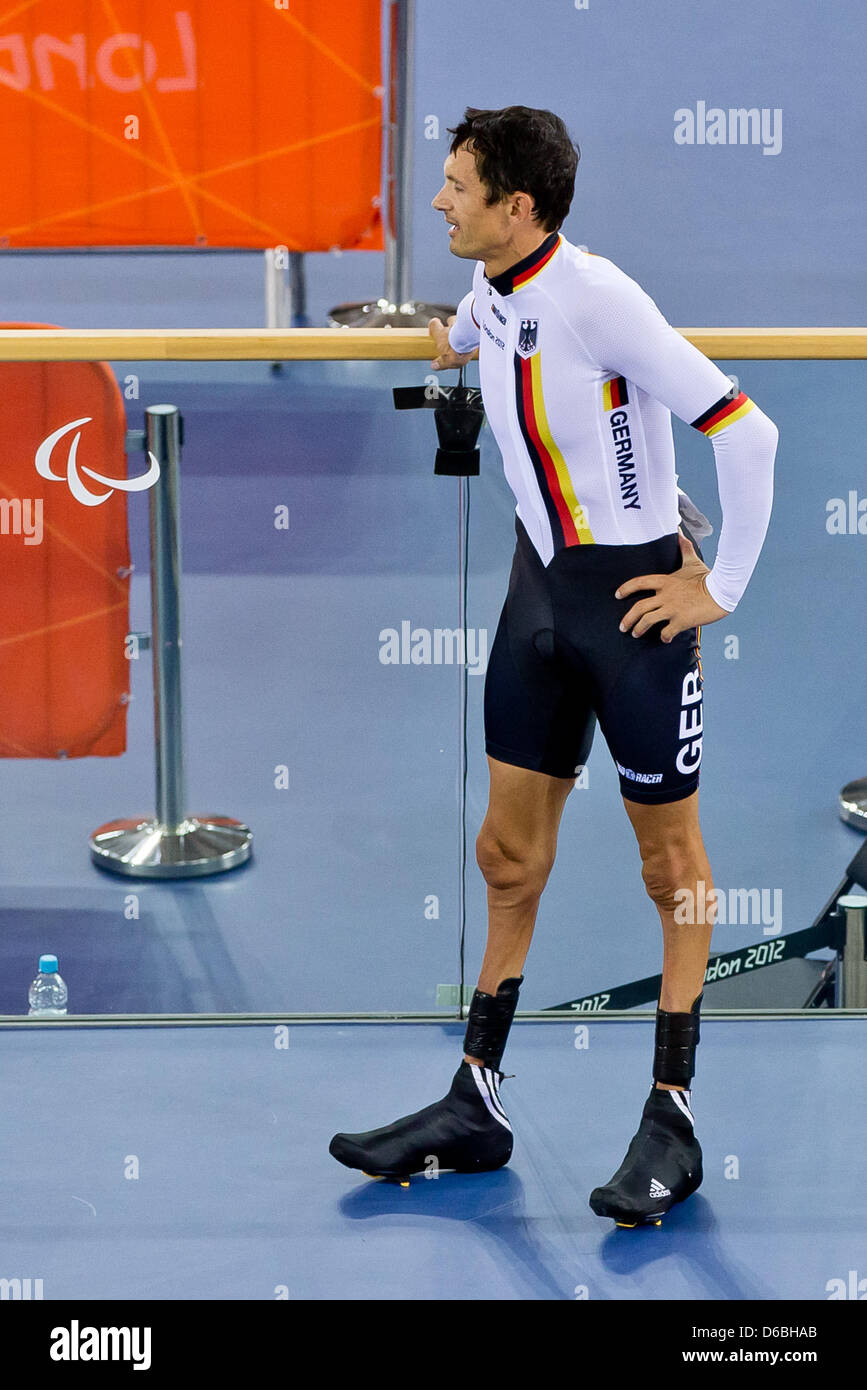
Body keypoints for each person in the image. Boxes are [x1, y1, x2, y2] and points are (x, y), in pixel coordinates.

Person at [330, 106, 778, 1226]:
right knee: (504, 853)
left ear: (516, 205)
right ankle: (477, 1097)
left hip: (633, 610)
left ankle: (672, 1114)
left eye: (456, 186)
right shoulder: (501, 286)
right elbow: (483, 329)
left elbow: (749, 432)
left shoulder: (600, 296)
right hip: (539, 598)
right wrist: (438, 338)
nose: (439, 201)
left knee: (668, 864)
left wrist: (718, 592)